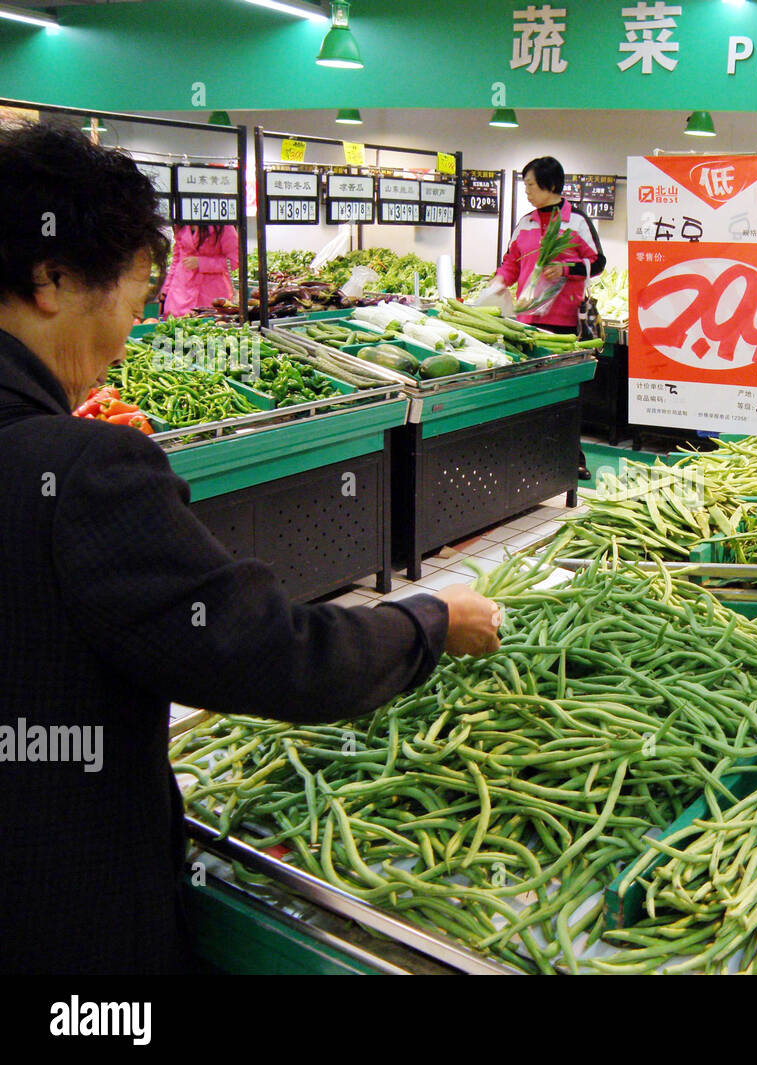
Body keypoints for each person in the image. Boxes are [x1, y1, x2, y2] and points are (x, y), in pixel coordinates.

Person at [0, 123, 502, 974]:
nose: (131, 331)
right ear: (52, 280)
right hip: (61, 907)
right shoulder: (79, 468)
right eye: (134, 295)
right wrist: (424, 623)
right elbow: (263, 650)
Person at [484, 156, 606, 334]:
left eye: (530, 185)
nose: (526, 191)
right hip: (526, 318)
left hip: (565, 321)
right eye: (525, 185)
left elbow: (597, 264)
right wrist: (500, 279)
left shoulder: (577, 221)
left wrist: (564, 269)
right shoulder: (526, 223)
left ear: (551, 185)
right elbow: (511, 263)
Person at [158, 222, 239, 317]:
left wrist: (202, 263)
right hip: (180, 292)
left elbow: (235, 261)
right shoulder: (181, 224)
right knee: (175, 328)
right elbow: (176, 259)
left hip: (211, 294)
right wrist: (166, 289)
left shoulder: (222, 226)